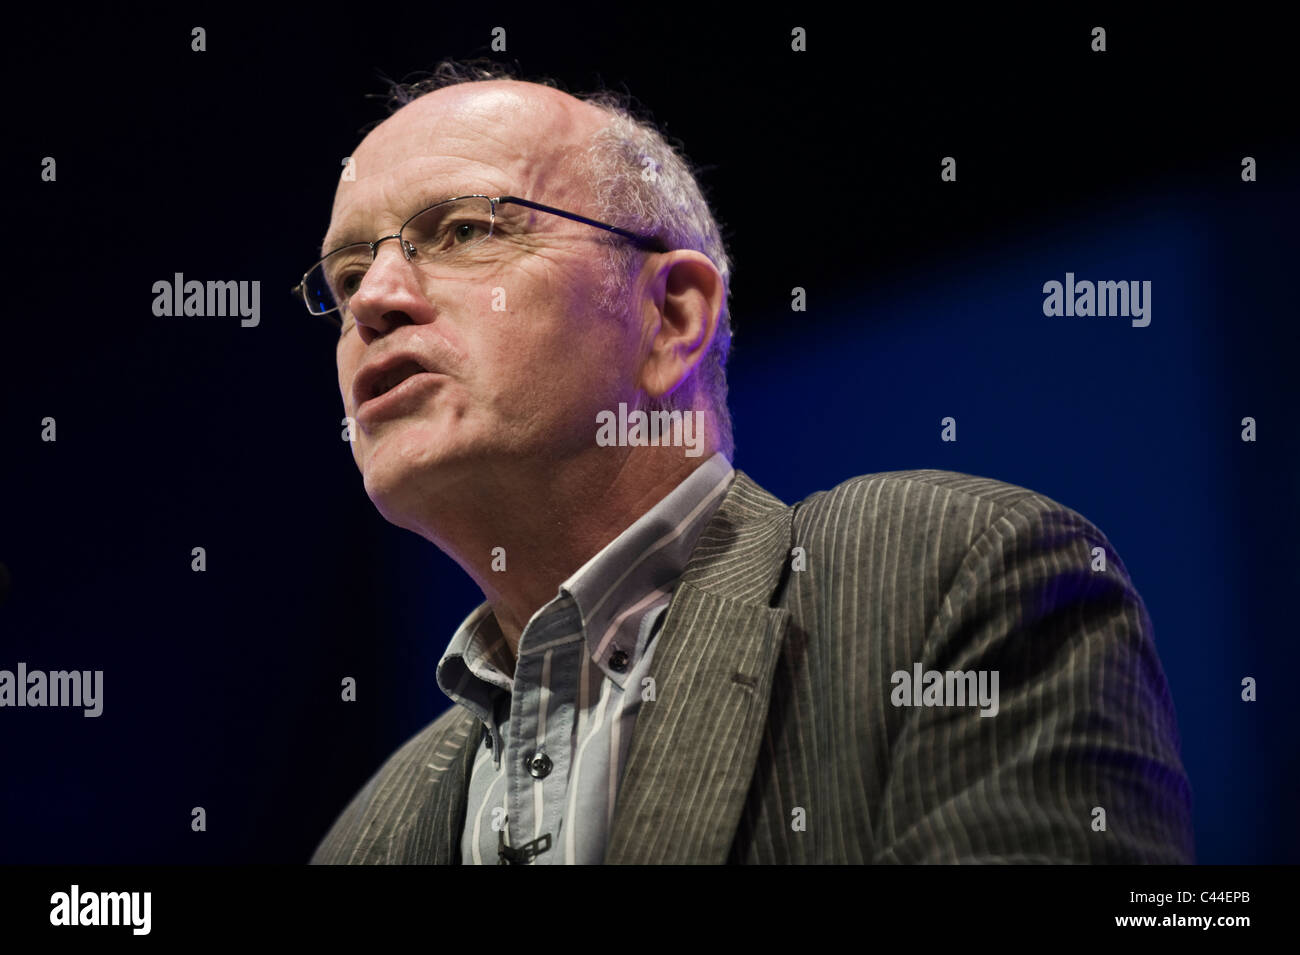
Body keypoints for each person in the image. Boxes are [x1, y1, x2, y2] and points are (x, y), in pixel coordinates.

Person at [304, 61, 1194, 864]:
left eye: (463, 230)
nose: (375, 300)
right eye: (346, 277)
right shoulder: (364, 837)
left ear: (673, 317)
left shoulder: (954, 581)